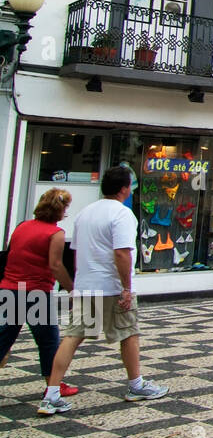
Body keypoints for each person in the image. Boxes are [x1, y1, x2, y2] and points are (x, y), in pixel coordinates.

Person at [39, 167, 169, 416]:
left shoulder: (85, 213)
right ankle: (136, 385)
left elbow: (76, 253)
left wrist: (78, 285)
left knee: (72, 337)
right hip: (111, 286)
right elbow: (122, 253)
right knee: (129, 333)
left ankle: (52, 393)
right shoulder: (122, 214)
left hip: (87, 284)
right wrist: (127, 288)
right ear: (123, 189)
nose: (130, 189)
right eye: (130, 185)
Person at [0, 189, 79, 400]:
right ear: (60, 210)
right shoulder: (56, 234)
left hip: (10, 289)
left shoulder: (21, 227)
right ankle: (53, 385)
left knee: (4, 337)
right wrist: (72, 288)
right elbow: (55, 265)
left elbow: (11, 254)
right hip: (36, 293)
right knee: (48, 341)